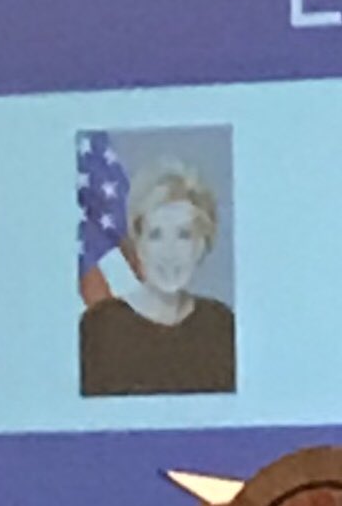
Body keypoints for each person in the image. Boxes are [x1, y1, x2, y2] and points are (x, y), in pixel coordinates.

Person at [79, 160, 235, 396]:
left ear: (201, 245)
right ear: (138, 244)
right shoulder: (99, 327)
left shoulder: (221, 325)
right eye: (156, 235)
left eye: (183, 235)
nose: (169, 253)